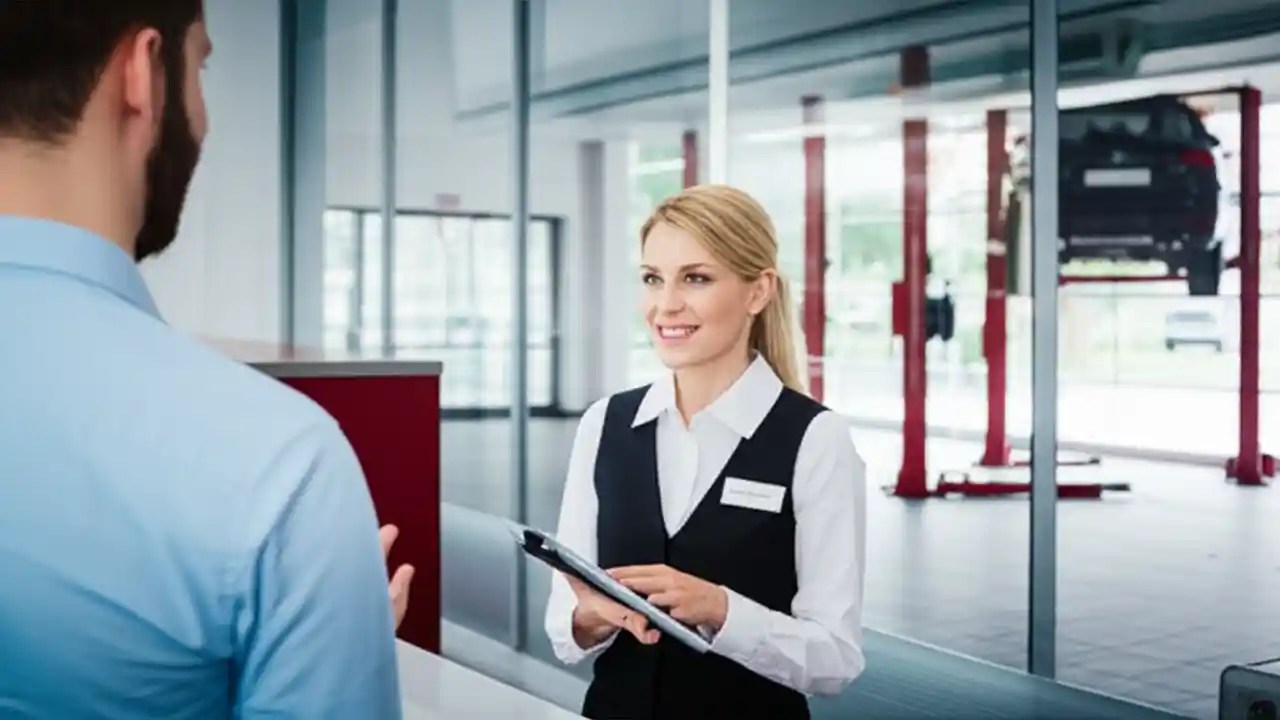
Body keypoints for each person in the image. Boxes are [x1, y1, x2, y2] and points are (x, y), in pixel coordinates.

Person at [0, 3, 411, 718]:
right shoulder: (276, 463)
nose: (204, 111)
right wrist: (314, 639)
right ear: (142, 72)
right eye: (202, 67)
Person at [545, 184, 867, 719]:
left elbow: (834, 659)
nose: (665, 305)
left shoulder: (815, 438)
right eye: (652, 278)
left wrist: (723, 610)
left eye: (695, 278)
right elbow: (564, 627)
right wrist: (590, 618)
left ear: (757, 292)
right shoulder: (605, 423)